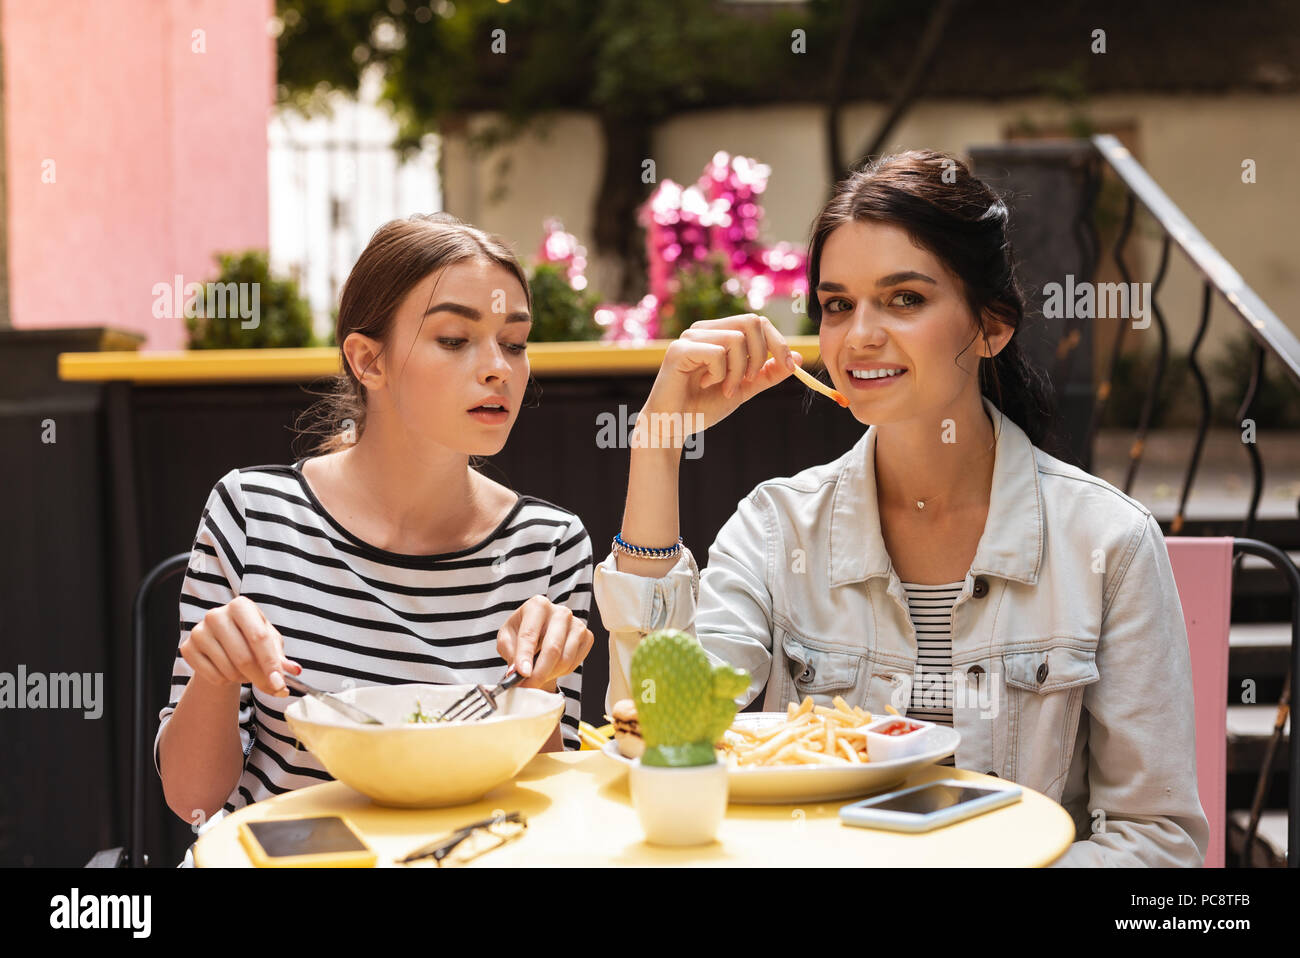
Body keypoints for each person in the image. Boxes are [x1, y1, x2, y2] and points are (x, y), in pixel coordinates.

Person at [594, 150, 1209, 867]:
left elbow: (1156, 841)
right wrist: (656, 449)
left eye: (905, 299)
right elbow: (658, 740)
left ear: (992, 326)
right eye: (836, 305)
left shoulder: (1109, 542)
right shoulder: (774, 529)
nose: (859, 336)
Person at [156, 213, 594, 859]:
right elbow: (193, 799)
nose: (498, 367)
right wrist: (214, 679)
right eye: (453, 339)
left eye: (515, 342)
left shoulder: (549, 543)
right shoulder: (253, 510)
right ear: (368, 360)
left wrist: (540, 690)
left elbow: (548, 809)